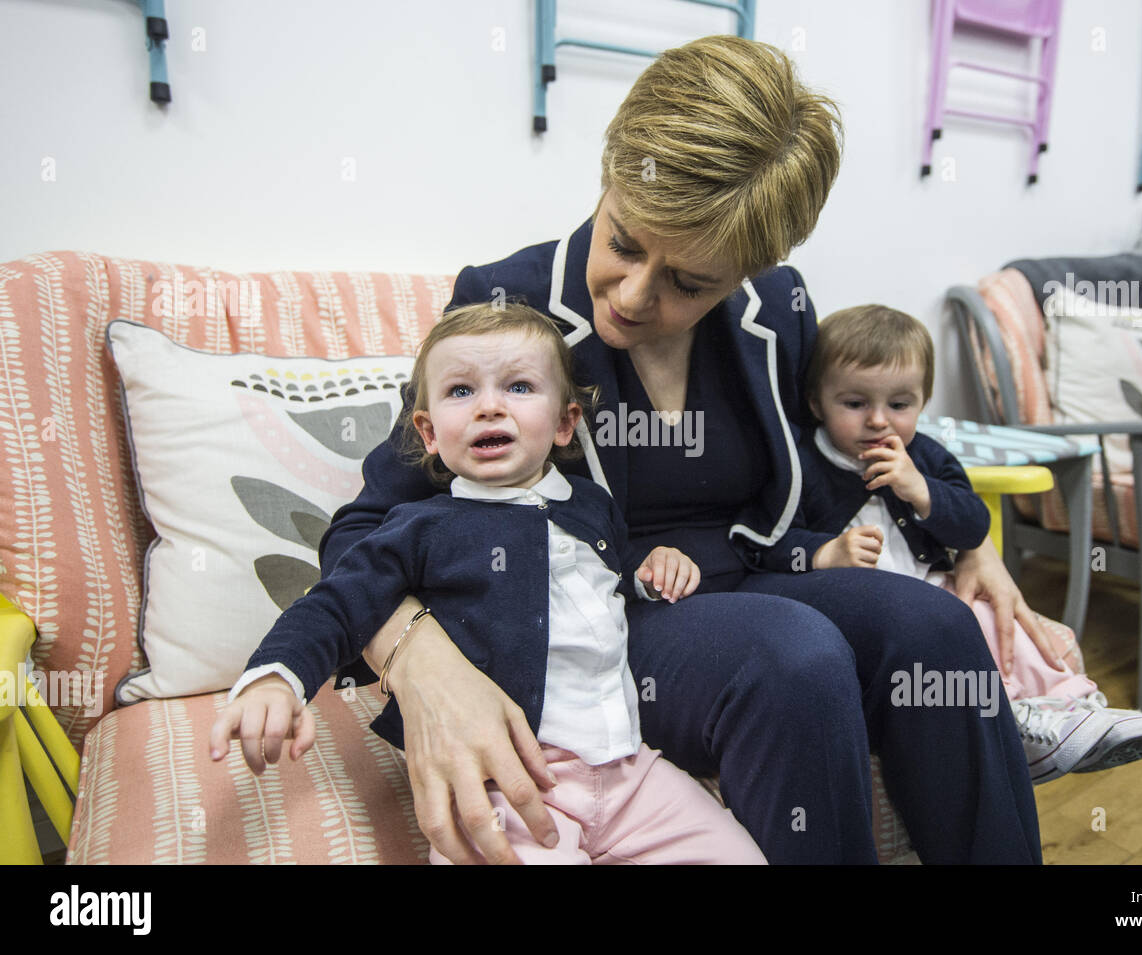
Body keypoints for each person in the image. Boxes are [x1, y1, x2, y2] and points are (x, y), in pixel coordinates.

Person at [238, 35, 1047, 865]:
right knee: (793, 661)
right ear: (607, 179)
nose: (630, 295)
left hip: (762, 573)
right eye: (624, 240)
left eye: (689, 283)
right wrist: (422, 665)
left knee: (938, 627)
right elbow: (366, 526)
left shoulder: (780, 308)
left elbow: (856, 428)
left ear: (749, 273)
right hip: (604, 619)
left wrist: (970, 535)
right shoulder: (504, 303)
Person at [210, 303, 767, 864]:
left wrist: (653, 572)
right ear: (427, 432)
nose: (490, 406)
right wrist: (275, 679)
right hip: (505, 778)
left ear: (565, 422)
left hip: (630, 770)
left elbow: (610, 582)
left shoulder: (593, 507)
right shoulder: (419, 528)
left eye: (519, 386)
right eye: (460, 392)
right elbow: (336, 604)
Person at [765, 304, 1142, 783]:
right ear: (816, 402)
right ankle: (1010, 724)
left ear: (923, 400)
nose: (879, 421)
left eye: (900, 405)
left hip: (932, 587)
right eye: (854, 404)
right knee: (952, 634)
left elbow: (972, 524)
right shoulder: (801, 465)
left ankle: (1072, 711)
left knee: (991, 616)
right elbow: (761, 542)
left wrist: (921, 490)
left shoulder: (927, 456)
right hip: (860, 611)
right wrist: (822, 552)